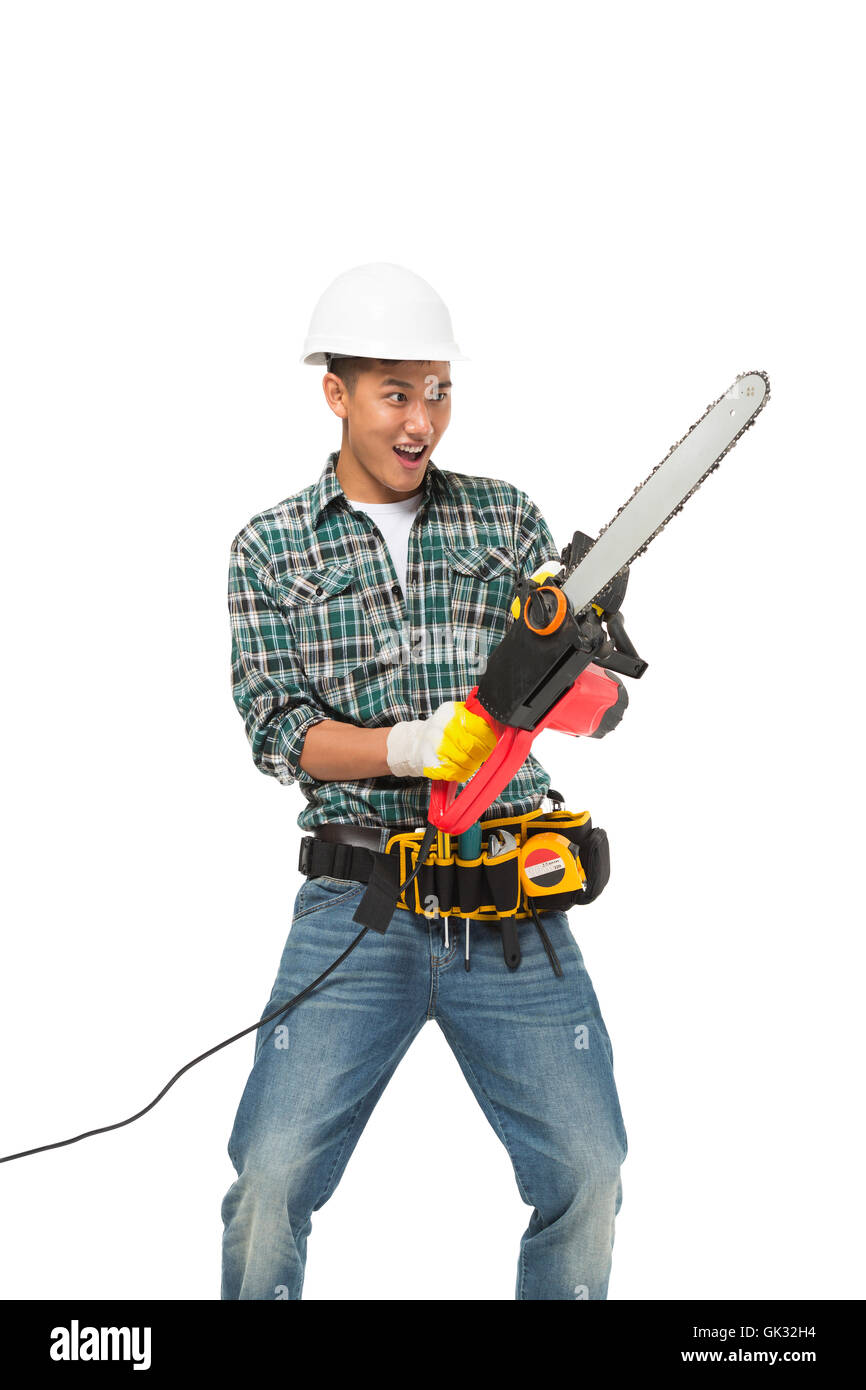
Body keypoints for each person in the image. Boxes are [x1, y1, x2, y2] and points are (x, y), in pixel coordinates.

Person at [220, 262, 628, 1300]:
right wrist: (406, 747)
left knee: (587, 1167)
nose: (421, 421)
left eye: (437, 391)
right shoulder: (269, 547)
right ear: (337, 394)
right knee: (268, 1180)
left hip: (507, 897)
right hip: (356, 909)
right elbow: (278, 732)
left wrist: (576, 666)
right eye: (396, 394)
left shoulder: (503, 520)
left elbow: (576, 698)